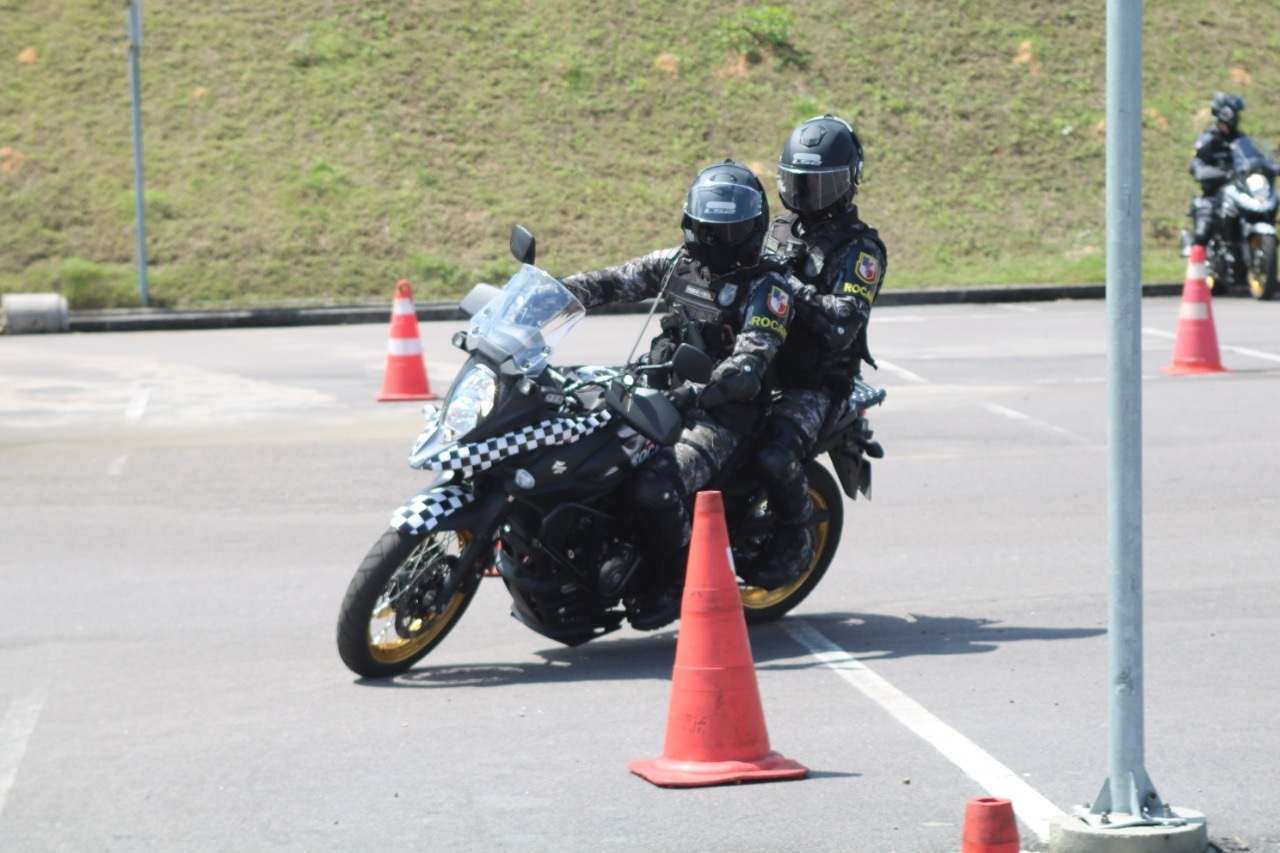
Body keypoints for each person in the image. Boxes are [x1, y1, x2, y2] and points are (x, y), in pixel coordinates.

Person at [560, 159, 795, 630]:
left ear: (754, 230)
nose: (716, 243)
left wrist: (696, 395)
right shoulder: (677, 264)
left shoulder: (767, 289)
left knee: (653, 485)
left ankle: (677, 579)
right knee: (573, 448)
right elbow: (610, 281)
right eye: (708, 230)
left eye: (729, 233)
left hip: (724, 416)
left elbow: (748, 367)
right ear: (691, 226)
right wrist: (551, 294)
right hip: (654, 391)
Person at [747, 114, 888, 589]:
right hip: (759, 358)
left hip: (813, 383)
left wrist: (783, 284)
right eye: (799, 183)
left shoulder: (860, 249)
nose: (808, 196)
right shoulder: (778, 227)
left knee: (772, 455)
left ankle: (793, 541)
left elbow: (842, 323)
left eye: (821, 186)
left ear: (850, 181)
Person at [1189, 92, 1247, 248]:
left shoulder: (1240, 138)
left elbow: (1254, 158)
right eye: (1236, 113)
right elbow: (1196, 167)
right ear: (1227, 114)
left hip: (1238, 194)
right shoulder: (1209, 138)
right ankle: (1197, 266)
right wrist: (1220, 174)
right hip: (1214, 196)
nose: (1238, 116)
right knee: (1203, 232)